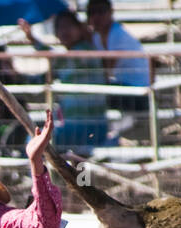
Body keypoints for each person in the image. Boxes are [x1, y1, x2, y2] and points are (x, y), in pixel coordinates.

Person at [18, 12, 112, 150]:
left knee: (35, 142)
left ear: (79, 28)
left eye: (69, 26)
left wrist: (33, 39)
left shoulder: (86, 50)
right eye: (60, 27)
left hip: (88, 127)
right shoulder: (68, 57)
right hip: (74, 125)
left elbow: (57, 58)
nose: (64, 31)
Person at [86, 0, 150, 129]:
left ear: (110, 13)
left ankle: (98, 130)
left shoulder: (117, 34)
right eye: (91, 13)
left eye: (101, 11)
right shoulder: (98, 37)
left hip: (139, 94)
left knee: (89, 96)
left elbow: (107, 70)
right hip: (125, 90)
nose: (96, 17)